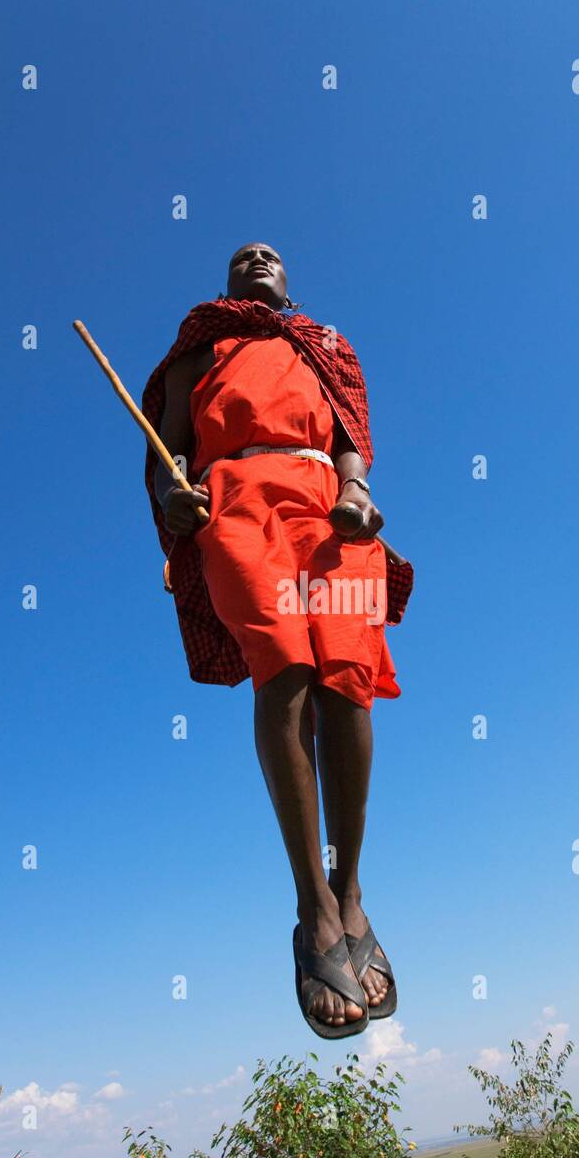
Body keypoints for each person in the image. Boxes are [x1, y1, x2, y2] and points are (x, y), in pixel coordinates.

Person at [141, 244, 414, 1038]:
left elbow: (347, 436)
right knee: (285, 671)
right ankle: (315, 909)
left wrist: (358, 488)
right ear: (227, 281)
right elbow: (171, 448)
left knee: (350, 678)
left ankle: (352, 889)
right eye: (243, 255)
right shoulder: (200, 347)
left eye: (272, 255)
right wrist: (175, 498)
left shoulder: (322, 344)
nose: (259, 258)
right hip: (236, 504)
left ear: (288, 284)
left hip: (331, 509)